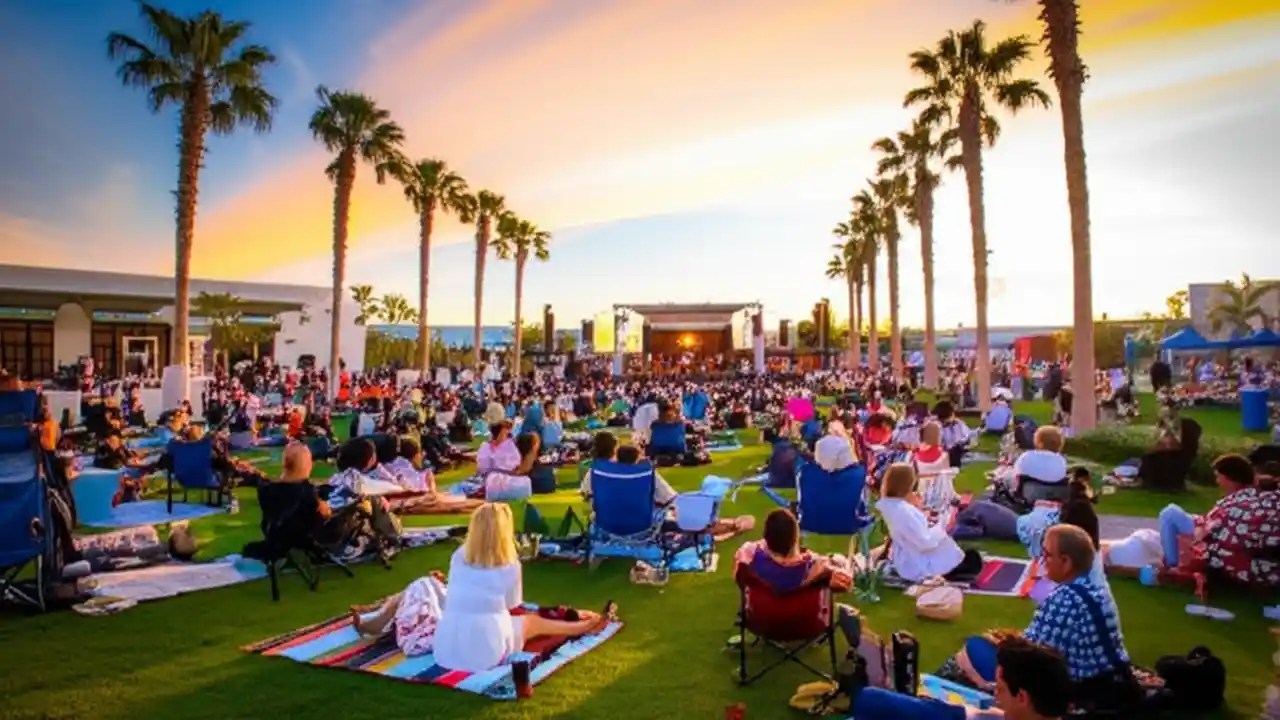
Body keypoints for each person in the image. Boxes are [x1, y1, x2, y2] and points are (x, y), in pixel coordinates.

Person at [353, 503, 612, 670]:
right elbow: (513, 607)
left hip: (445, 648)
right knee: (530, 623)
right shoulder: (509, 565)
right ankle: (583, 626)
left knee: (427, 588)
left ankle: (374, 618)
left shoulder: (459, 556)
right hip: (484, 652)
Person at [1159, 454, 1279, 587]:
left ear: (1230, 478)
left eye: (1218, 477)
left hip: (1226, 554)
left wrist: (1198, 531)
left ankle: (1171, 565)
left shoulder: (1240, 503)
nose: (1217, 482)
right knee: (1174, 515)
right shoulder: (1260, 499)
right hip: (1258, 560)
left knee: (1169, 513)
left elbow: (1208, 531)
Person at [877, 463, 982, 582]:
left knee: (967, 556)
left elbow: (913, 532)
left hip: (910, 555)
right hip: (916, 564)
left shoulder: (893, 505)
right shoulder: (902, 510)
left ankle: (955, 565)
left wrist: (919, 510)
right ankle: (953, 570)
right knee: (972, 560)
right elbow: (924, 541)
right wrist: (942, 526)